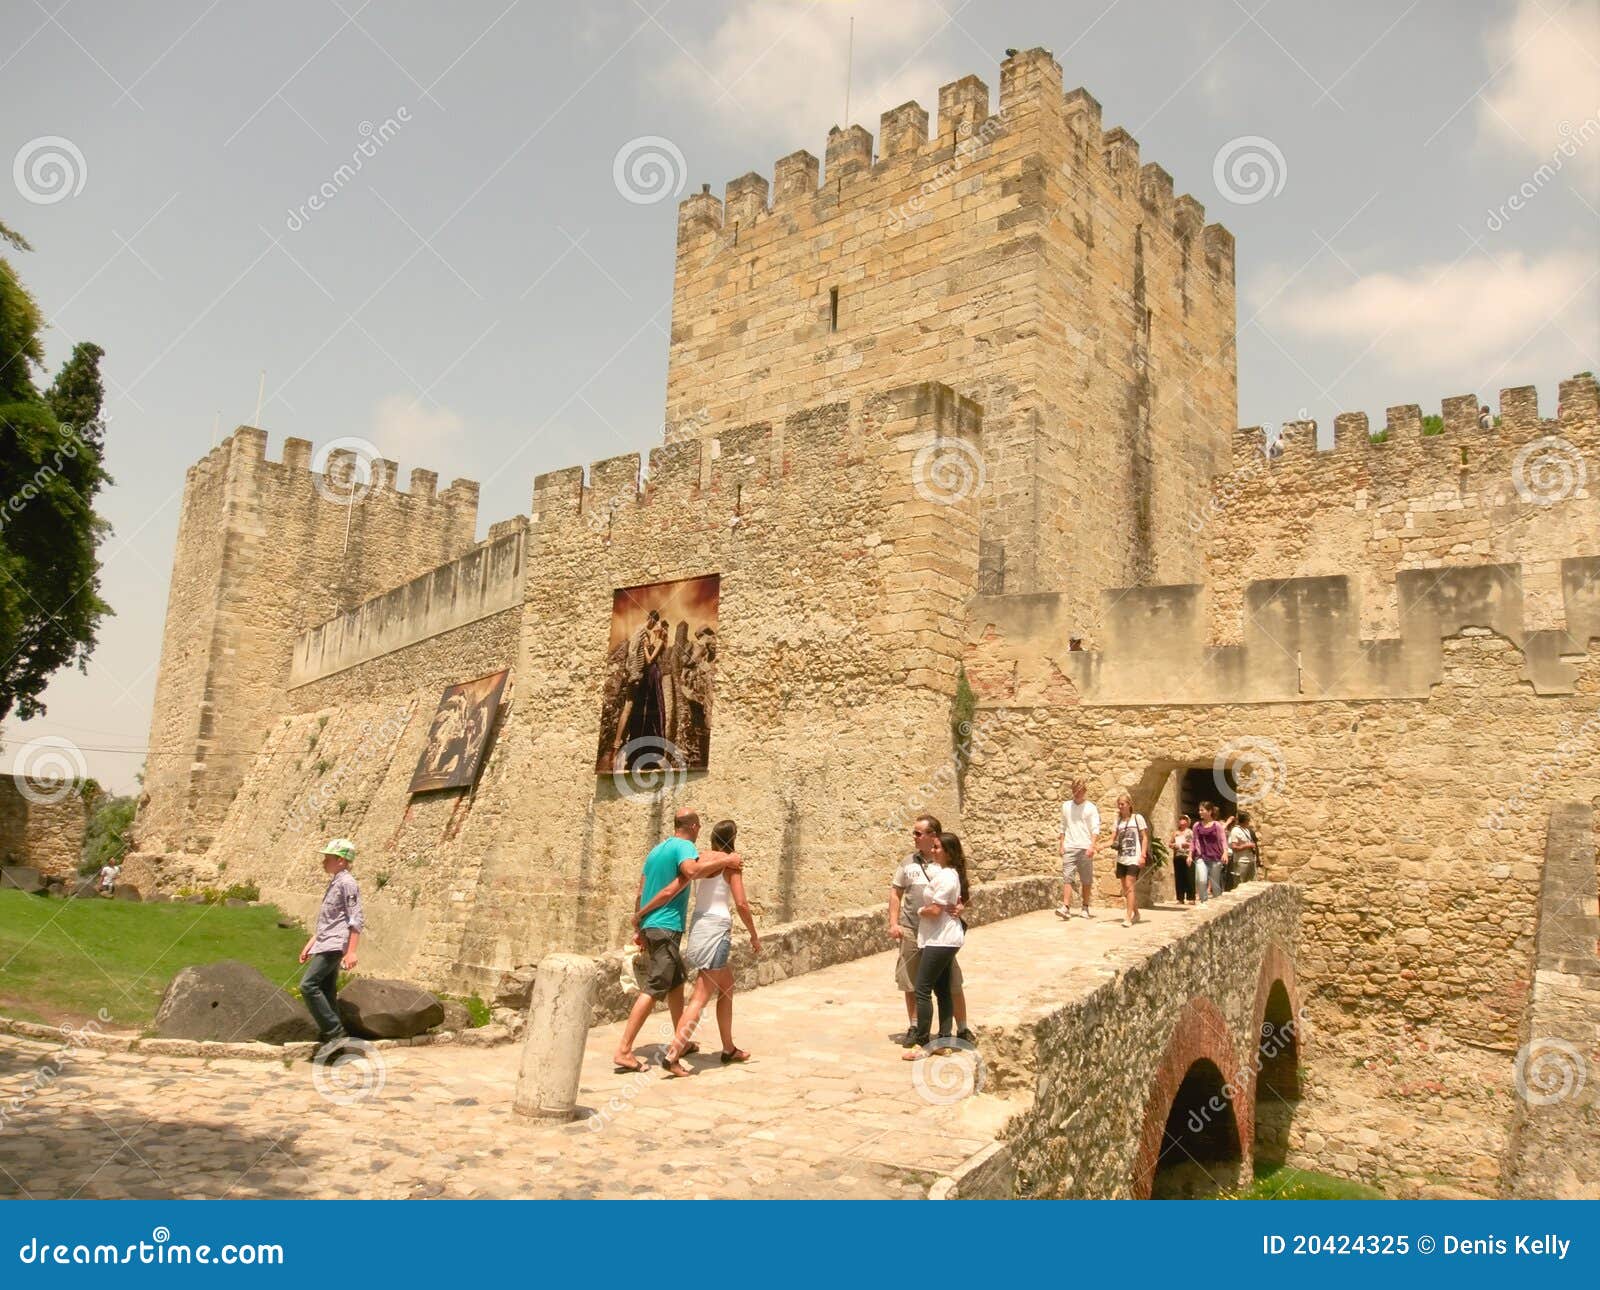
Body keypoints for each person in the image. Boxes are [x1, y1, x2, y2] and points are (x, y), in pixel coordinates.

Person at [613, 809, 743, 1075]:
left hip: (652, 924)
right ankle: (624, 1050)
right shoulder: (685, 847)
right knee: (655, 987)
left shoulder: (655, 851)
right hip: (666, 924)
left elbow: (640, 890)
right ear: (693, 827)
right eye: (698, 827)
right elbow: (688, 874)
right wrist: (728, 859)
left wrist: (640, 922)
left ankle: (680, 1042)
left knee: (676, 983)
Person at [641, 819, 762, 1071]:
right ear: (734, 838)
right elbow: (741, 904)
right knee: (700, 996)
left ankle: (728, 1048)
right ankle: (673, 1053)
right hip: (717, 931)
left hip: (698, 927)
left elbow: (678, 884)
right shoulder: (731, 864)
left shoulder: (700, 860)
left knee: (726, 987)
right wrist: (753, 934)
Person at [889, 815, 974, 1047]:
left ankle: (961, 1028)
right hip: (912, 929)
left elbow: (963, 893)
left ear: (932, 836)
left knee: (949, 983)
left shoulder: (944, 866)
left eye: (918, 833)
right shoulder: (908, 863)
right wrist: (894, 923)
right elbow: (895, 893)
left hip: (939, 935)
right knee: (911, 981)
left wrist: (960, 906)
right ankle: (915, 1027)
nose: (914, 837)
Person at [902, 832, 970, 1061]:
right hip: (940, 938)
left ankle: (923, 1043)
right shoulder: (943, 872)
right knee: (942, 990)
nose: (933, 850)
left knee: (922, 989)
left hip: (941, 939)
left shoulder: (948, 877)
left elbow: (934, 910)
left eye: (938, 847)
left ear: (949, 852)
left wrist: (920, 910)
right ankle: (944, 1040)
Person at [297, 838, 364, 1061]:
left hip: (335, 944)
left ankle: (335, 1034)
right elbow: (330, 921)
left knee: (308, 985)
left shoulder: (348, 883)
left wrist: (351, 951)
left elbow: (355, 919)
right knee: (326, 990)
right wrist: (310, 945)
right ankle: (337, 1046)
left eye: (328, 858)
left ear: (341, 861)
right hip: (326, 941)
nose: (323, 862)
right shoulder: (336, 882)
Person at [1056, 779, 1101, 919]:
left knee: (1086, 879)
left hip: (1085, 846)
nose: (1077, 793)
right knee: (1067, 877)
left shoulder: (1091, 807)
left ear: (1084, 791)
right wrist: (1061, 845)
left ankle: (1085, 907)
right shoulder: (1066, 806)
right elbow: (1063, 826)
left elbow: (1095, 828)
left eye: (1080, 790)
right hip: (1069, 846)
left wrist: (1092, 846)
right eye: (1075, 790)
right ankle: (1066, 907)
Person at [1112, 793, 1149, 927]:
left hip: (1134, 857)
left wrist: (1143, 855)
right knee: (1126, 889)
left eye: (1123, 804)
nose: (1120, 806)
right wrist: (1098, 847)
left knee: (1129, 885)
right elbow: (1112, 839)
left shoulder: (1137, 818)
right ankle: (1136, 913)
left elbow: (1144, 837)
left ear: (1129, 804)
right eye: (1119, 804)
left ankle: (1128, 917)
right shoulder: (1118, 821)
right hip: (1122, 858)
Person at [1191, 801, 1229, 903]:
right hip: (1201, 857)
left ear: (1209, 811)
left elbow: (1223, 840)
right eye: (1199, 810)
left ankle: (1218, 905)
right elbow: (1193, 841)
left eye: (1202, 810)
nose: (1199, 812)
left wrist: (1225, 853)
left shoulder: (1217, 825)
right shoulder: (1197, 826)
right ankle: (1204, 902)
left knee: (1215, 885)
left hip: (1215, 858)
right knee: (1201, 880)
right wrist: (1190, 855)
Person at [1228, 811, 1259, 885]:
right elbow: (1234, 847)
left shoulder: (1246, 830)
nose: (1249, 821)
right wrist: (1247, 846)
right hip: (1241, 862)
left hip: (1251, 860)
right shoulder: (1235, 831)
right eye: (1248, 820)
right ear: (1243, 820)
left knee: (1251, 884)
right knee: (1240, 884)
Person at [1170, 814, 1195, 905]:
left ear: (1188, 822)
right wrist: (1173, 845)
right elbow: (1170, 843)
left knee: (1189, 877)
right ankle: (1180, 898)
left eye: (1184, 819)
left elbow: (1193, 844)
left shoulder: (1190, 832)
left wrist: (1186, 845)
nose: (1182, 821)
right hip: (1178, 856)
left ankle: (1191, 898)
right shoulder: (1176, 833)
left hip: (1187, 855)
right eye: (1181, 819)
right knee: (1179, 877)